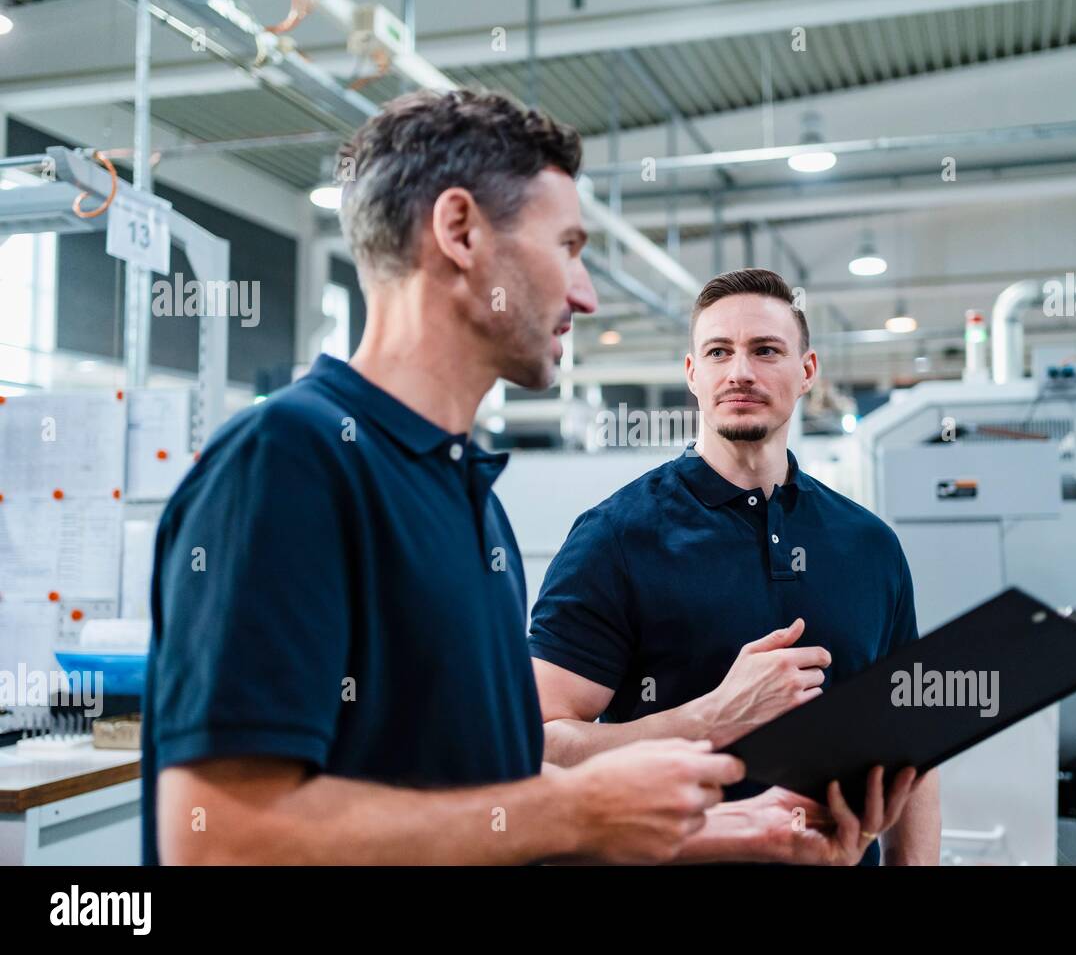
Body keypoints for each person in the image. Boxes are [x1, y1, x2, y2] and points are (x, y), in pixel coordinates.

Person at [144, 91, 891, 865]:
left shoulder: (464, 495)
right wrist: (577, 808)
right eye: (567, 246)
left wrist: (729, 835)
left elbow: (483, 809)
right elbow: (220, 842)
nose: (585, 292)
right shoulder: (292, 462)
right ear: (460, 231)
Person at [529, 268, 940, 865]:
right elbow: (536, 744)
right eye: (719, 352)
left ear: (807, 372)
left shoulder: (870, 545)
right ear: (693, 374)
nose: (740, 371)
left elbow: (911, 743)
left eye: (766, 350)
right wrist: (710, 718)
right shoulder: (615, 538)